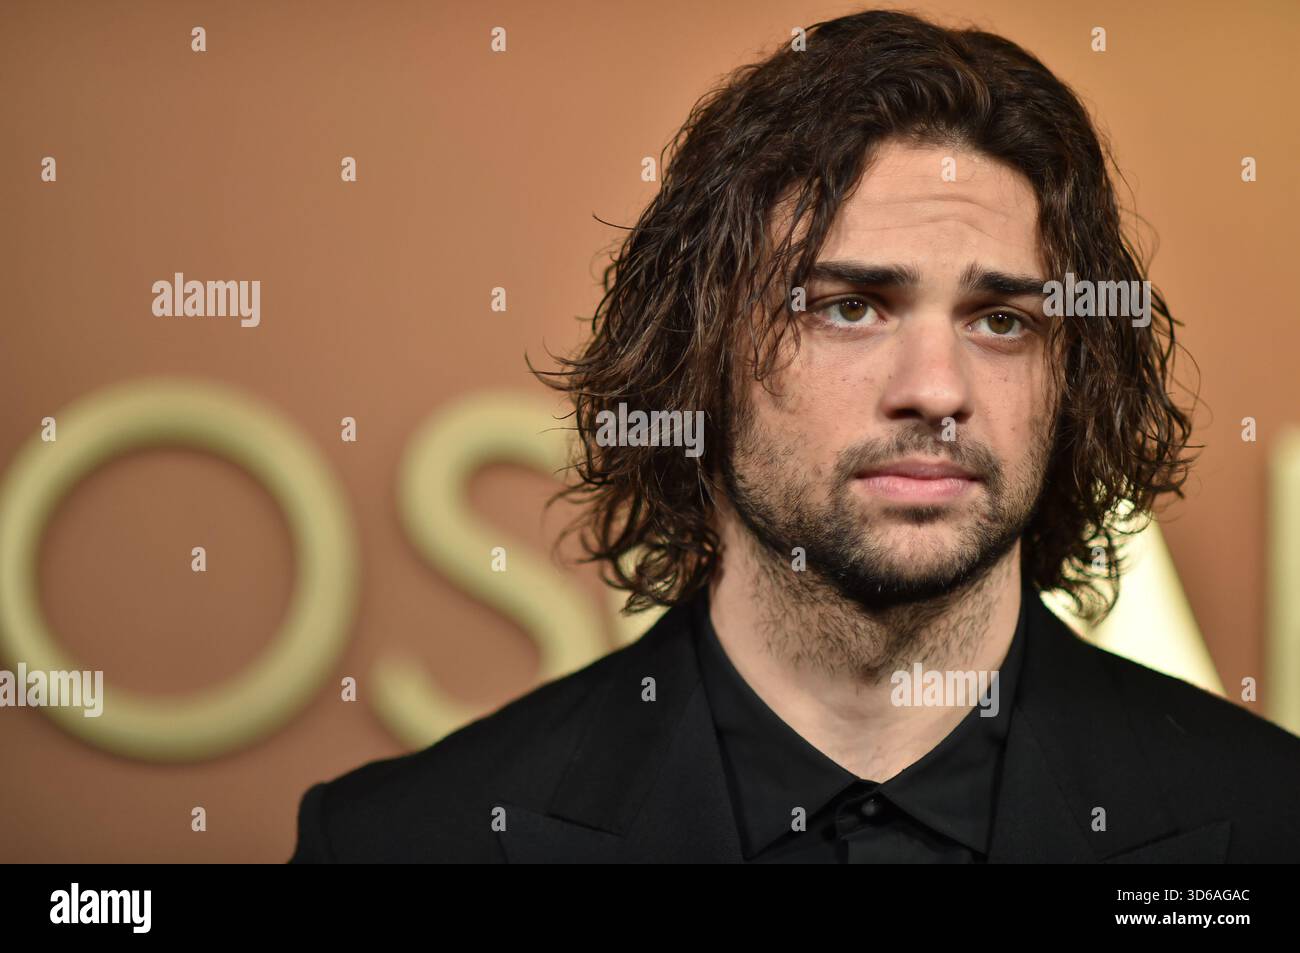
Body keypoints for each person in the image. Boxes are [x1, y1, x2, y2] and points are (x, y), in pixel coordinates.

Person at [289, 8, 1300, 863]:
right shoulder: (410, 839)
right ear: (700, 351)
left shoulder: (1265, 820)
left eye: (1002, 320)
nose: (935, 390)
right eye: (849, 306)